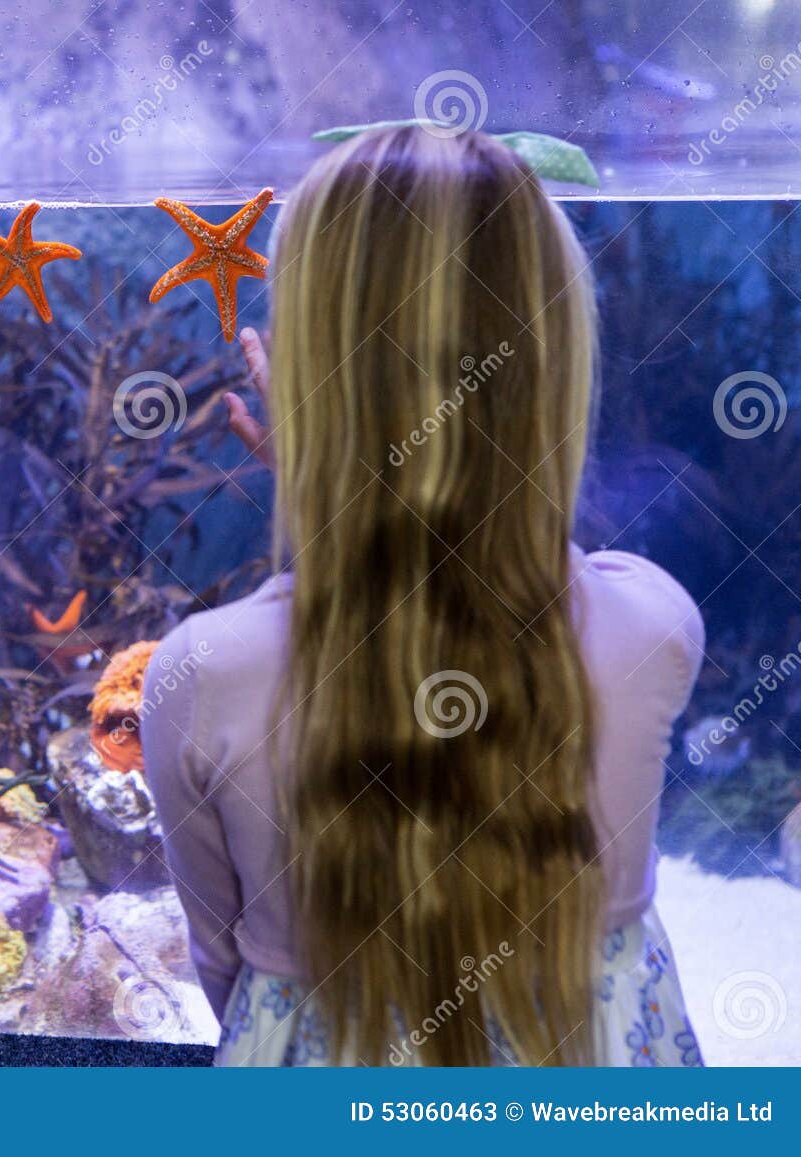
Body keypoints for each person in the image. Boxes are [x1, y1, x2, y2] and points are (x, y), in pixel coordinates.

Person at [143, 124, 704, 1067]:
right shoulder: (654, 626)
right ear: (557, 359)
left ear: (305, 383)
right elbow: (479, 584)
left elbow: (227, 969)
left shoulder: (202, 674)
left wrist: (338, 491)